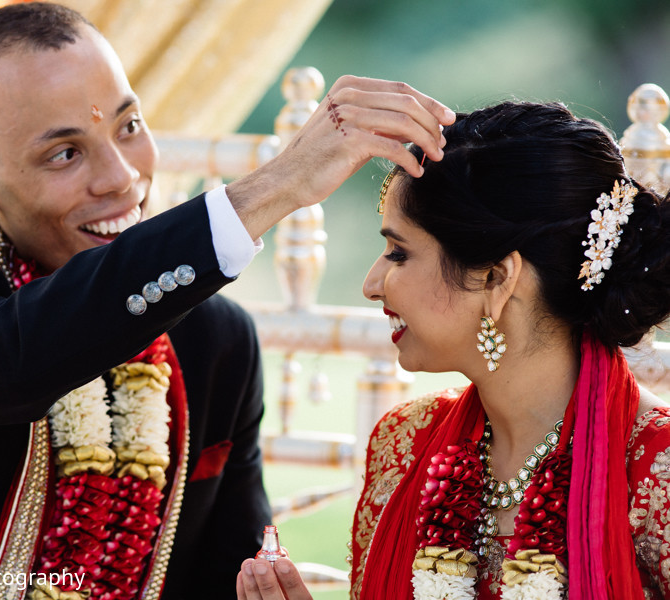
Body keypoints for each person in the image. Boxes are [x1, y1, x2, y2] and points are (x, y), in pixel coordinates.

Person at [0, 3, 454, 599]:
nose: (122, 177)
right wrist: (275, 187)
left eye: (128, 127)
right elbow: (6, 362)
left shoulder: (214, 341)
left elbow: (226, 571)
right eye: (65, 153)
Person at [236, 101, 670, 600]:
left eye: (399, 253)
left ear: (497, 278)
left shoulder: (653, 469)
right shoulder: (405, 443)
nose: (371, 284)